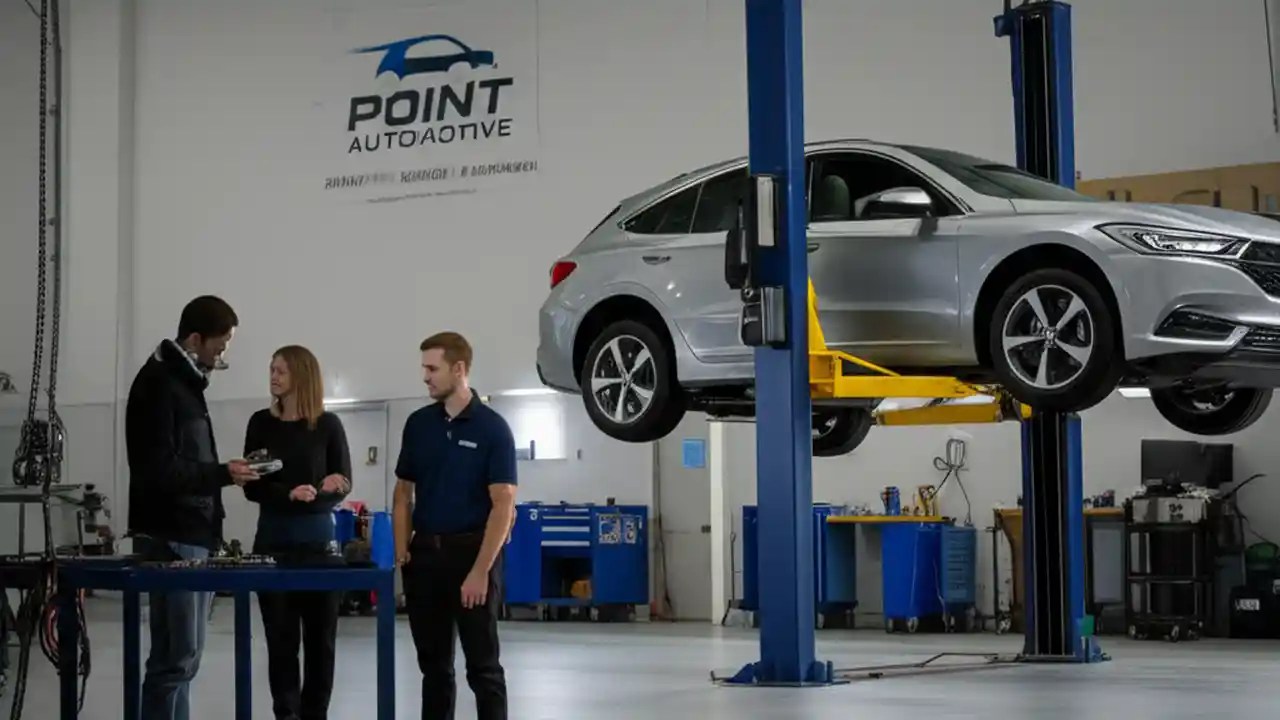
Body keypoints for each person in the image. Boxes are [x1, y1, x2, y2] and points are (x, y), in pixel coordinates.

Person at [125, 294, 261, 720]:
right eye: (218, 349)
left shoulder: (180, 383)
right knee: (177, 660)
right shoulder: (161, 384)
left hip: (189, 535)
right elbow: (160, 469)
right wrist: (223, 474)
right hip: (174, 536)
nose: (219, 360)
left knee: (176, 661)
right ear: (195, 338)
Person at [393, 331, 518, 720]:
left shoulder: (493, 428)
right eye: (424, 368)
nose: (425, 377)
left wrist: (480, 571)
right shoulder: (418, 425)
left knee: (483, 669)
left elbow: (504, 504)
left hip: (473, 555)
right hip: (426, 558)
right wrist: (403, 554)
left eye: (433, 368)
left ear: (459, 369)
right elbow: (402, 494)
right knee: (434, 671)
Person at [242, 344, 353, 720]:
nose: (273, 377)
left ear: (302, 377)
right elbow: (251, 485)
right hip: (273, 545)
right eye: (271, 369)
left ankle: (315, 715)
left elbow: (343, 480)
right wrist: (288, 494)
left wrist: (326, 489)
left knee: (321, 645)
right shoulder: (260, 423)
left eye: (281, 371)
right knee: (281, 644)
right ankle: (286, 715)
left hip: (320, 548)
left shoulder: (328, 426)